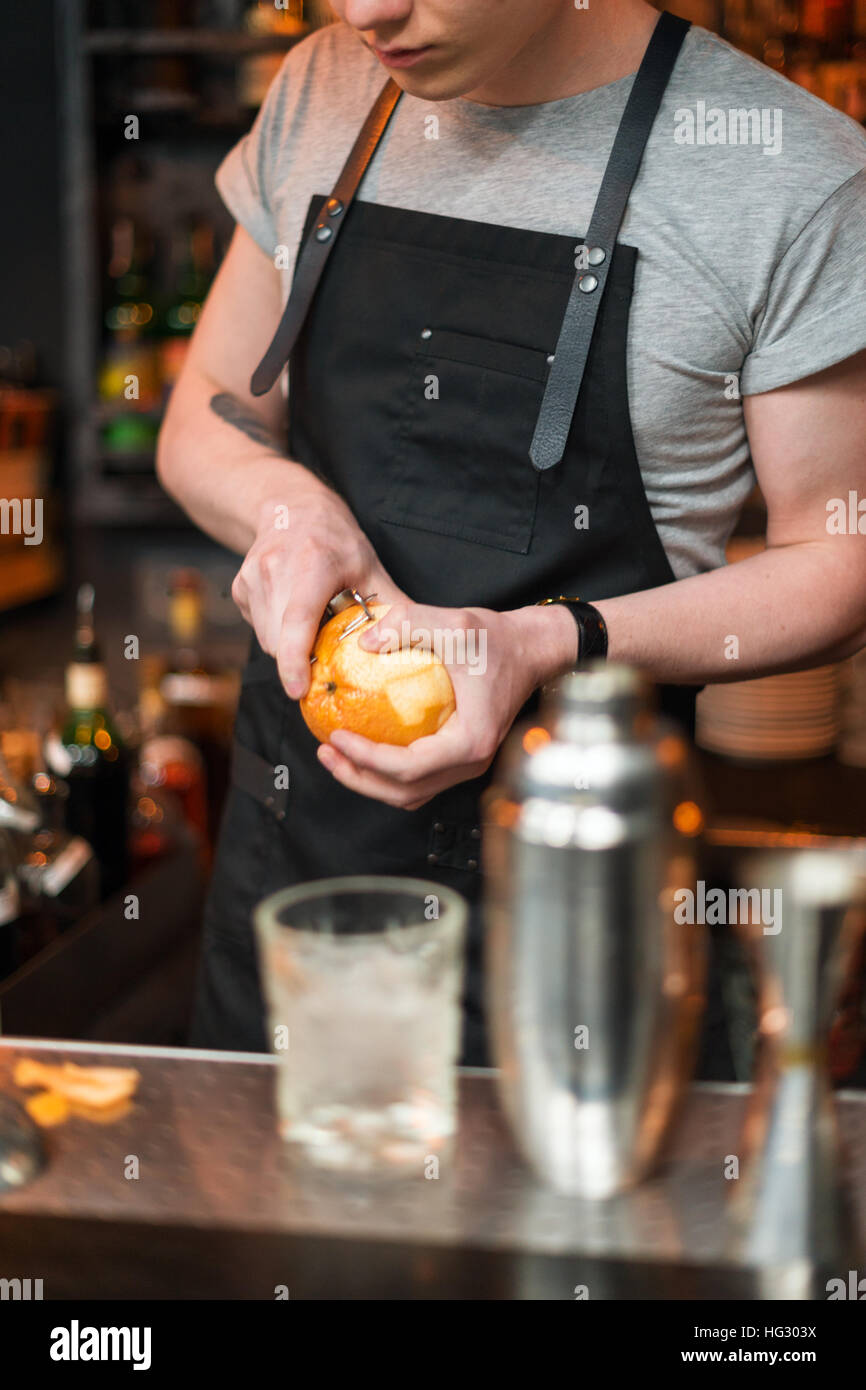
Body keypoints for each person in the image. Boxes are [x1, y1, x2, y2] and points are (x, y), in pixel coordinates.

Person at [157, 0, 866, 1065]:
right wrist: (287, 506)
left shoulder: (785, 171)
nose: (365, 11)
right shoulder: (322, 88)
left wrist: (548, 642)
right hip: (296, 888)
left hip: (579, 889)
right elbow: (207, 403)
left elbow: (839, 554)